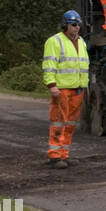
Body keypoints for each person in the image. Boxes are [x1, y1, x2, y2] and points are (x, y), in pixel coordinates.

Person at [42, 10, 89, 169]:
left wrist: (84, 84)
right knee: (58, 122)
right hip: (62, 89)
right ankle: (54, 156)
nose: (77, 27)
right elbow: (49, 65)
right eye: (73, 24)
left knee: (70, 124)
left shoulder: (81, 42)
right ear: (66, 25)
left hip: (77, 89)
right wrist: (52, 85)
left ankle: (64, 154)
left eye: (78, 25)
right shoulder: (54, 41)